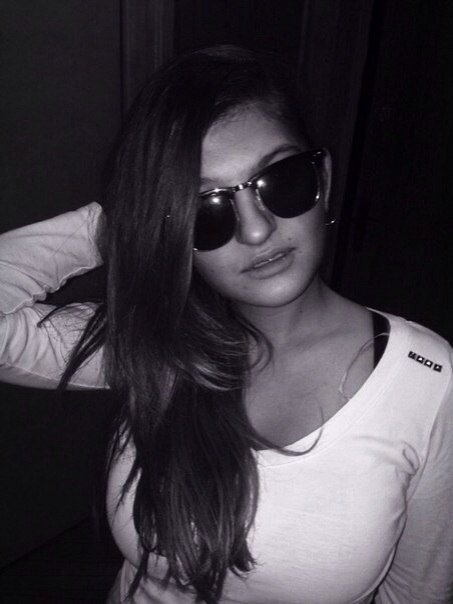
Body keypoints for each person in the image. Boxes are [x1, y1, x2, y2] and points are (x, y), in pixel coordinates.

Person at [0, 45, 452, 604]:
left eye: (280, 181)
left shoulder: (427, 381)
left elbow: (416, 594)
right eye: (205, 208)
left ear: (323, 179)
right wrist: (130, 221)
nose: (257, 230)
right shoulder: (160, 343)